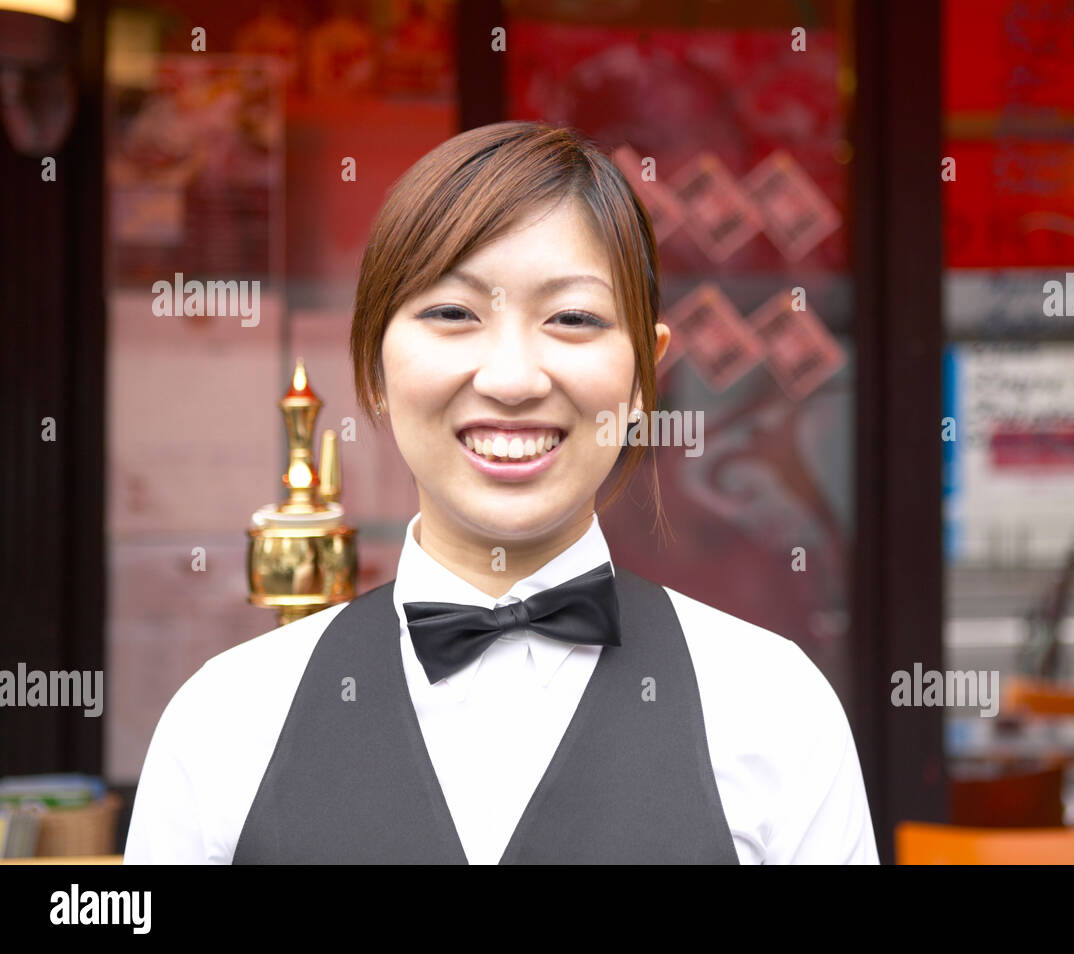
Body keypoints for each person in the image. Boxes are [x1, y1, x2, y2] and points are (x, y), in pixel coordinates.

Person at [124, 120, 879, 864]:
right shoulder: (223, 725)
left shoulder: (775, 712)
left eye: (573, 318)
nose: (513, 379)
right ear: (374, 364)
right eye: (452, 314)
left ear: (648, 373)